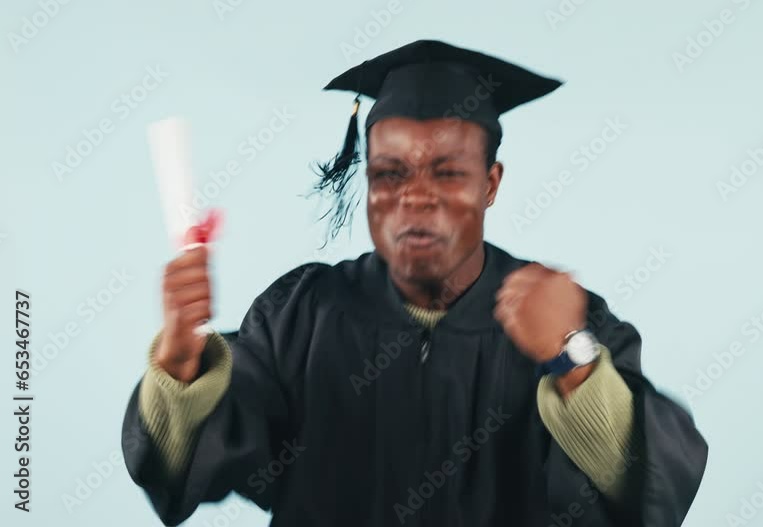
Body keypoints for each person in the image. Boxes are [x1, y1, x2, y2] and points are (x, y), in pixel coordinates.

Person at [121, 39, 708, 526]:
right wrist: (178, 360)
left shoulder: (562, 315)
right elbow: (192, 466)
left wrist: (571, 358)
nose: (415, 197)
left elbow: (653, 491)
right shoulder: (301, 313)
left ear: (491, 183)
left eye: (448, 172)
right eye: (389, 173)